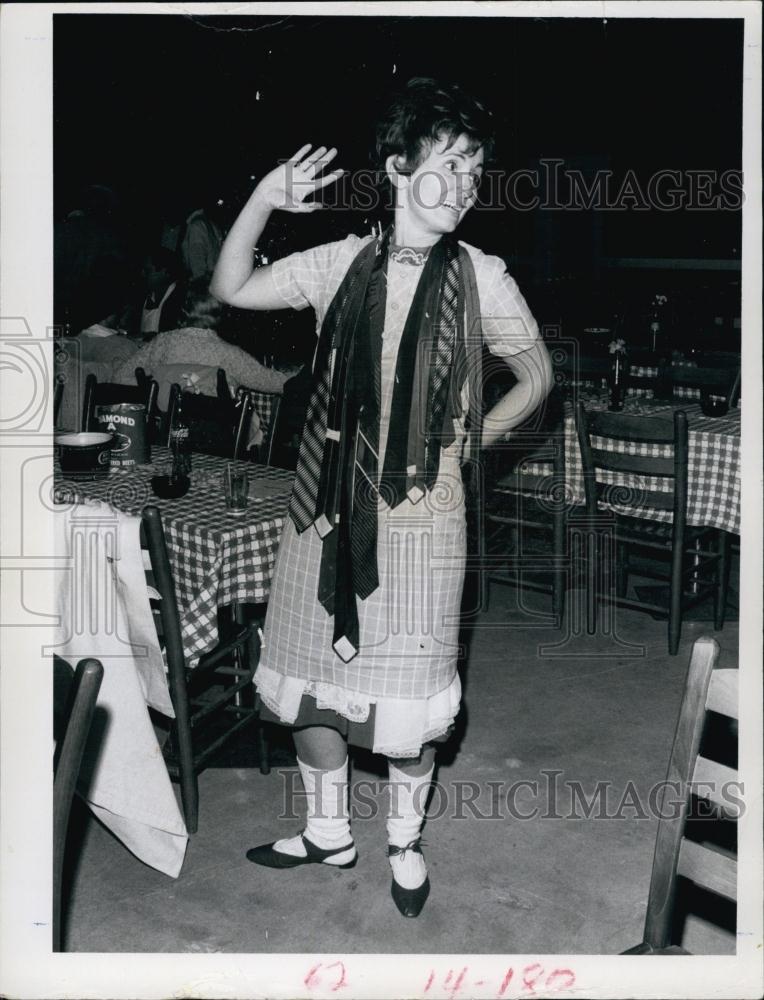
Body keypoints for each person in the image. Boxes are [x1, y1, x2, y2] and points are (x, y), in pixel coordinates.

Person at [211, 77, 552, 918]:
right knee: (307, 681)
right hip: (320, 510)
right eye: (452, 165)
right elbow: (229, 289)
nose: (469, 186)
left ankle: (404, 840)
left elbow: (538, 375)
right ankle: (327, 829)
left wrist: (471, 441)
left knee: (411, 703)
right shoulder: (338, 261)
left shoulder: (482, 277)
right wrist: (262, 200)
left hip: (423, 522)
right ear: (399, 169)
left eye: (478, 171)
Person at [113, 277, 291, 406]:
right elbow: (273, 383)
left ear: (185, 308)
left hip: (163, 433)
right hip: (214, 439)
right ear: (221, 314)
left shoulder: (162, 343)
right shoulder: (228, 353)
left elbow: (120, 376)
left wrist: (154, 389)